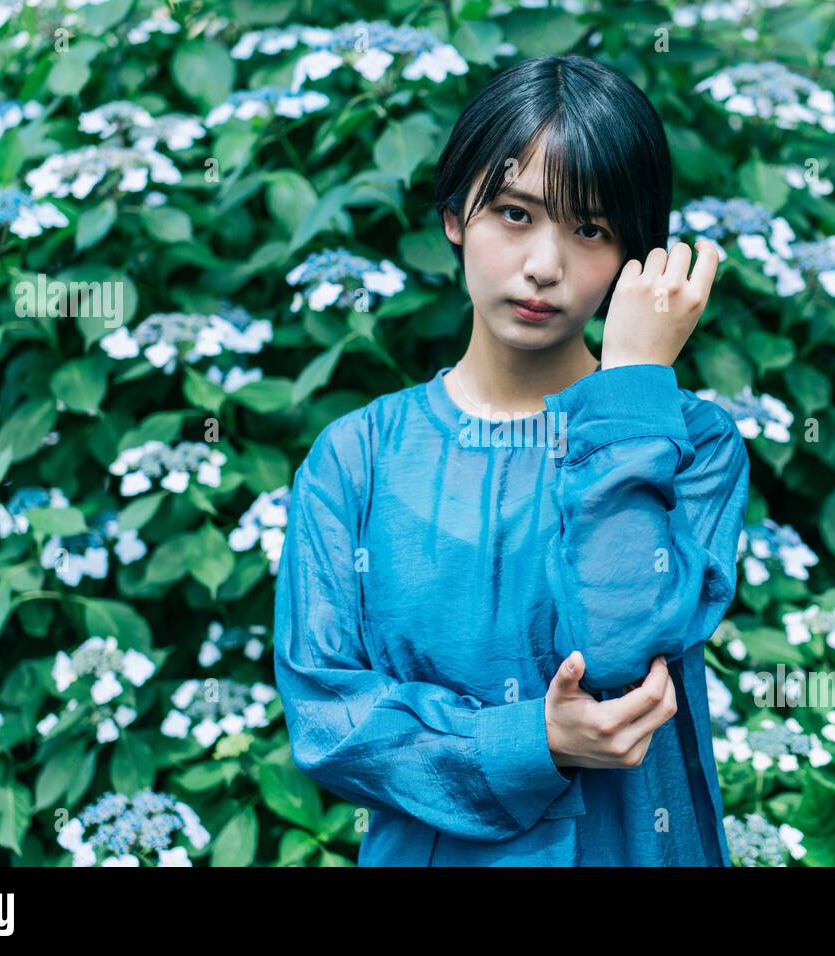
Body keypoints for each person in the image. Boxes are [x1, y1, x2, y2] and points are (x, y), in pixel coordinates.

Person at [273, 54, 751, 866]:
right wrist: (530, 740)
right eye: (515, 214)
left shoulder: (690, 443)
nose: (545, 266)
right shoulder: (356, 460)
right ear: (457, 214)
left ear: (639, 260)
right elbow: (328, 717)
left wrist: (634, 391)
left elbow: (616, 653)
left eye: (591, 229)